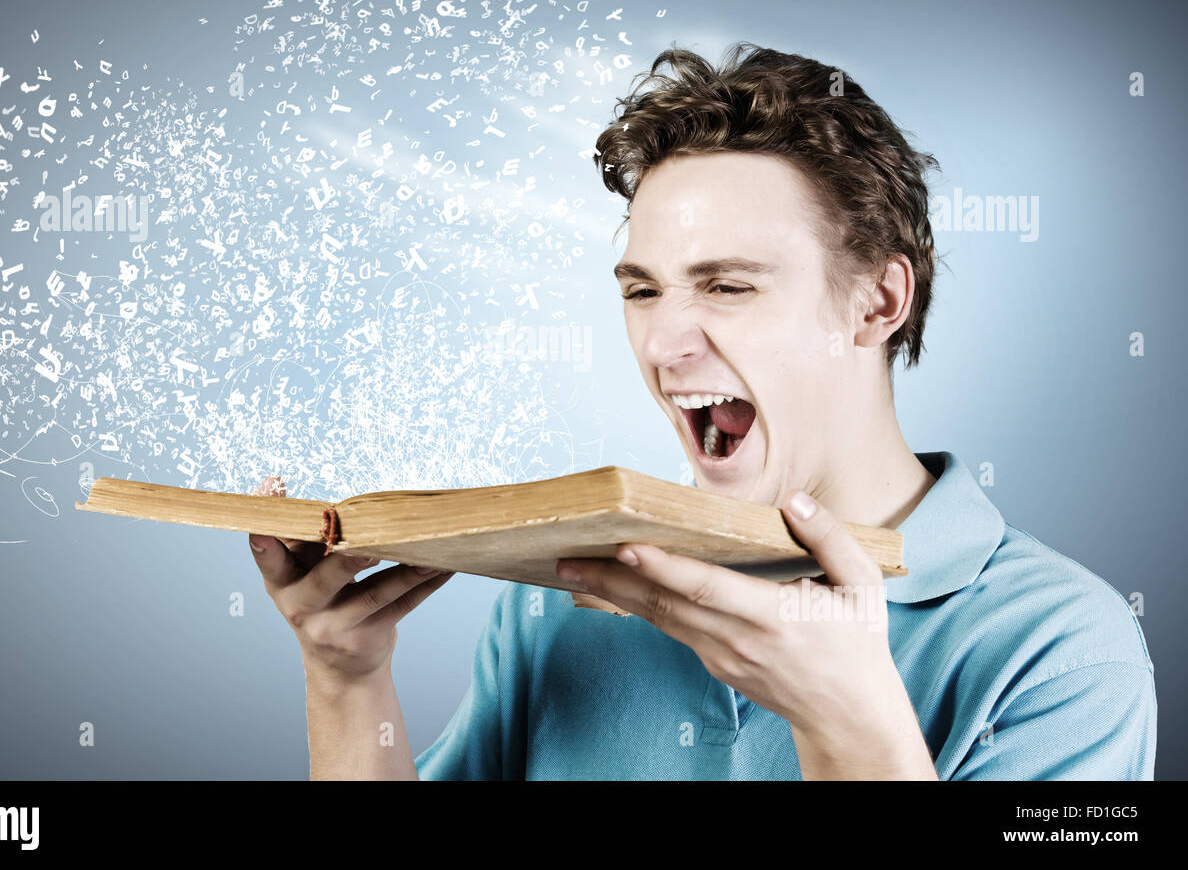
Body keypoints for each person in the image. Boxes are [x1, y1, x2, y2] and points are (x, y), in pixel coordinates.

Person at [249, 43, 1156, 779]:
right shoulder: (570, 605)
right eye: (643, 292)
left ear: (878, 304)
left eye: (727, 285)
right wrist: (346, 682)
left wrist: (849, 721)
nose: (665, 344)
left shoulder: (1068, 652)